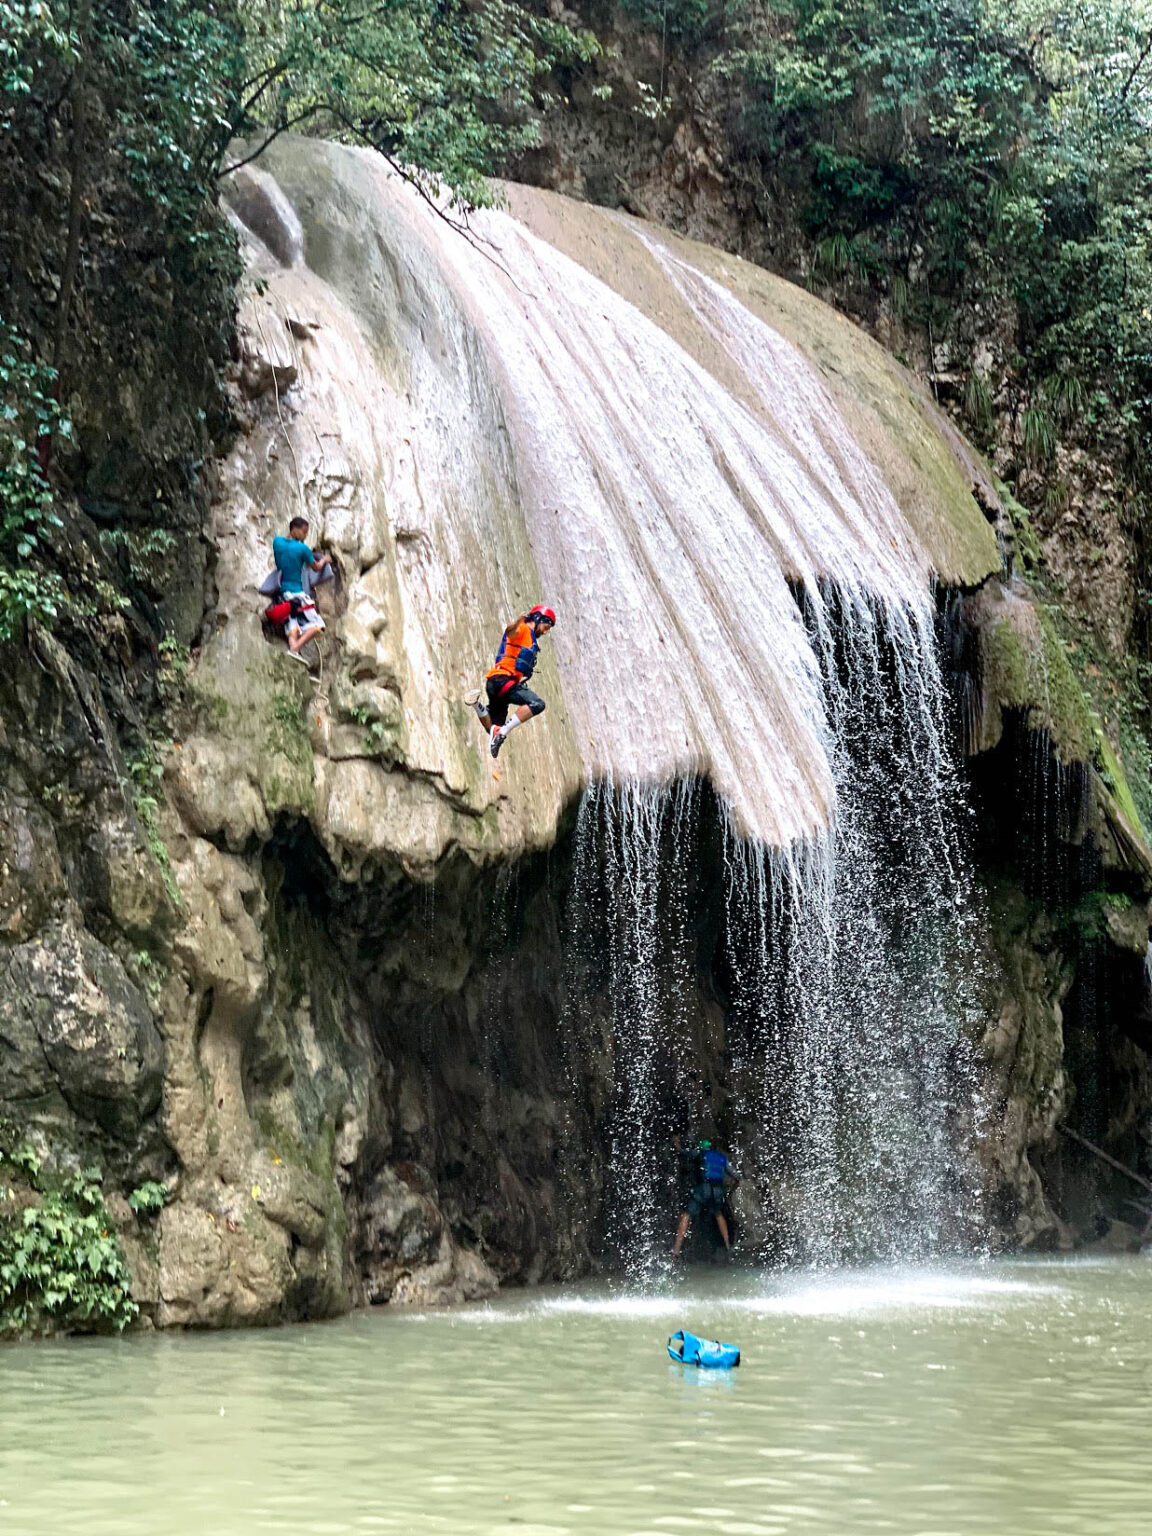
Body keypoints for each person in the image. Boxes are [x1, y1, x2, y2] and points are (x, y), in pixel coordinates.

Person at [471, 606, 556, 759]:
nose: (545, 632)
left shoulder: (527, 634)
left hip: (494, 683)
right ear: (538, 619)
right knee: (537, 704)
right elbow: (511, 632)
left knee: (493, 727)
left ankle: (476, 704)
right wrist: (517, 623)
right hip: (504, 681)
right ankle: (502, 733)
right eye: (546, 627)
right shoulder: (523, 629)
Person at [272, 516, 332, 657]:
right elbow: (316, 568)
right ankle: (295, 648)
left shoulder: (277, 542)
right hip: (297, 594)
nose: (305, 536)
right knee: (318, 625)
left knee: (292, 624)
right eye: (304, 532)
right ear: (295, 529)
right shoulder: (302, 549)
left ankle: (293, 650)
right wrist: (324, 559)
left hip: (283, 594)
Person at [673, 1138, 731, 1257]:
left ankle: (676, 1251)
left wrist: (677, 1144)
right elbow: (734, 1172)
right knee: (718, 1214)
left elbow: (684, 1152)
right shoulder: (722, 1157)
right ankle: (728, 1246)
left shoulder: (700, 1153)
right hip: (717, 1191)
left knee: (686, 1215)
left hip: (703, 1189)